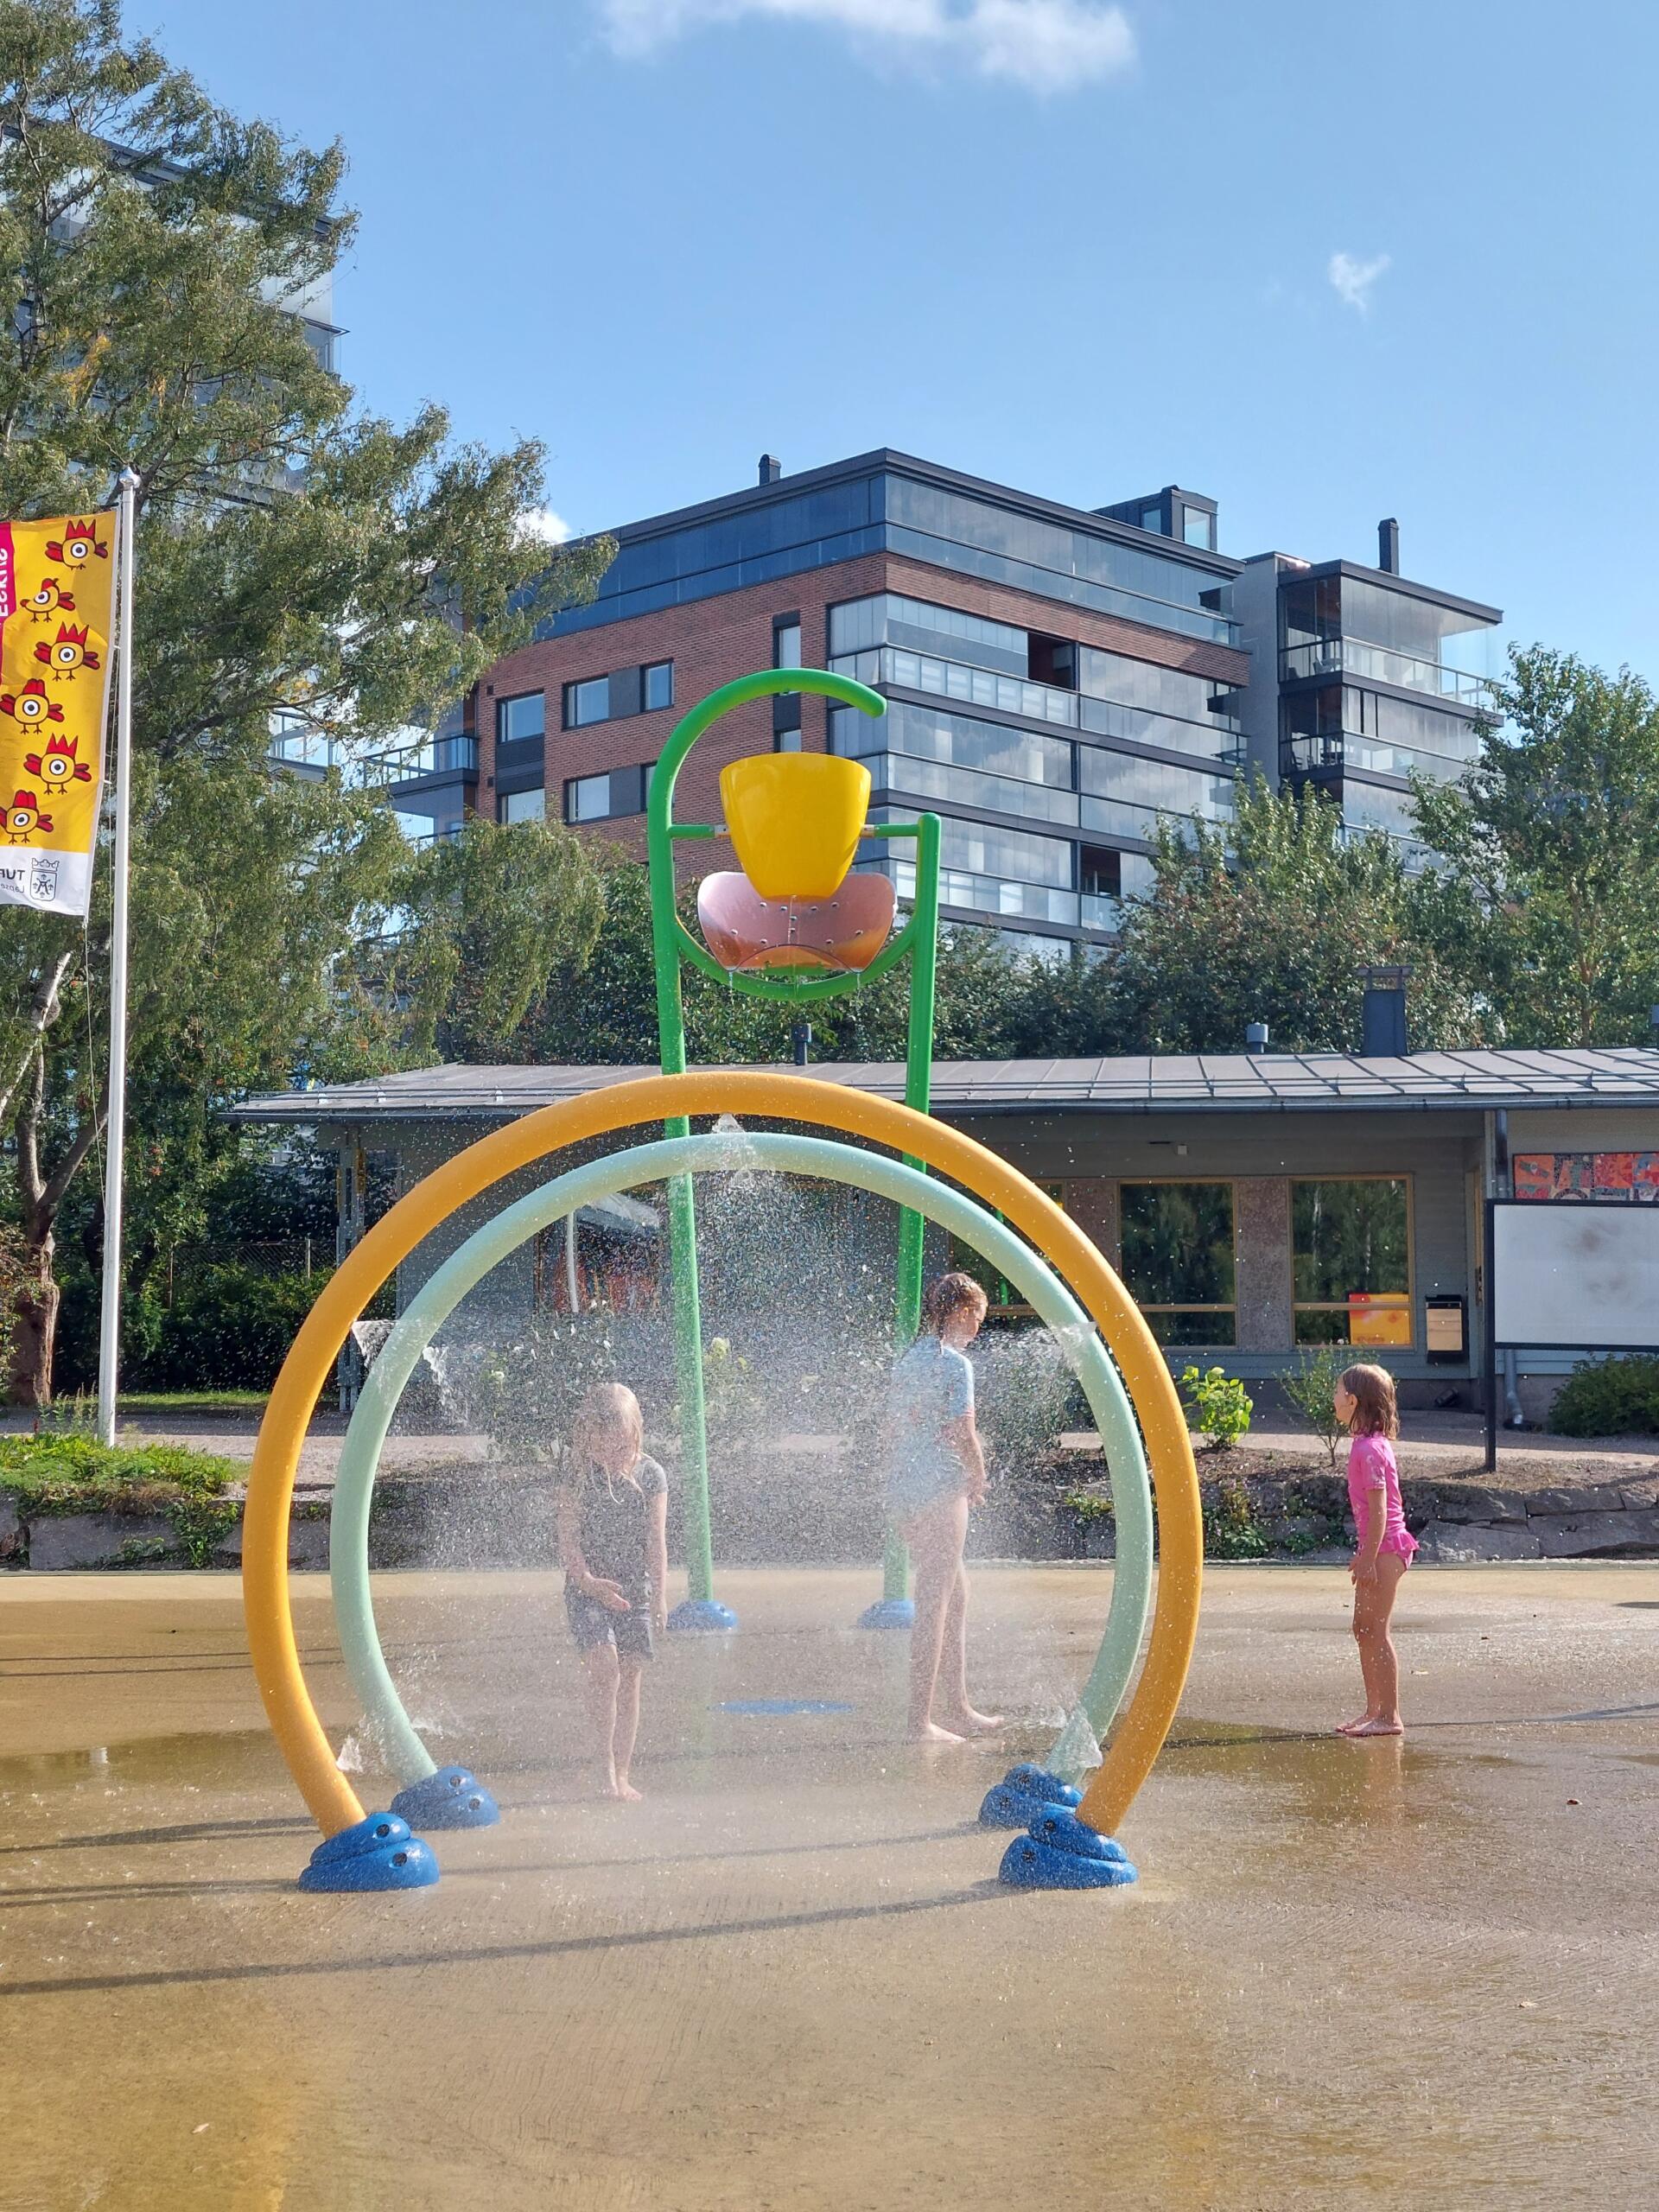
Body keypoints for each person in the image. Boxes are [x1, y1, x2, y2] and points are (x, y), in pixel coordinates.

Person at [887, 1271, 1004, 1745]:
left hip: (907, 1489)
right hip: (940, 1489)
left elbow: (891, 1431)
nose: (979, 1326)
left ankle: (957, 1707)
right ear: (960, 1312)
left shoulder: (909, 1361)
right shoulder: (955, 1365)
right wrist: (977, 1475)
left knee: (955, 1594)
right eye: (978, 1315)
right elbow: (963, 1431)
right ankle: (920, 1722)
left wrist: (893, 1489)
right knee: (935, 1600)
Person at [556, 1382, 669, 1800]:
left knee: (631, 1678)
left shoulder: (651, 1475)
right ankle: (603, 1771)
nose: (611, 1457)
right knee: (606, 1671)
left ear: (636, 1434)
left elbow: (656, 1541)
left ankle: (623, 1773)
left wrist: (658, 1596)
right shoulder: (577, 1473)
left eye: (620, 1447)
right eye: (602, 1447)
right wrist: (587, 1583)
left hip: (634, 1591)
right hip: (587, 1588)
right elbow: (567, 1540)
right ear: (587, 1438)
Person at [1334, 1362, 1417, 1738]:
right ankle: (1374, 1710)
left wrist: (1368, 1557)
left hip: (1386, 1548)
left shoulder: (1369, 1450)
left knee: (1376, 1630)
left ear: (1352, 1401)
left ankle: (1390, 1716)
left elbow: (1381, 1508)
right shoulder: (1365, 1445)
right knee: (1363, 1628)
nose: (1333, 1399)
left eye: (1337, 1392)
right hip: (1378, 1547)